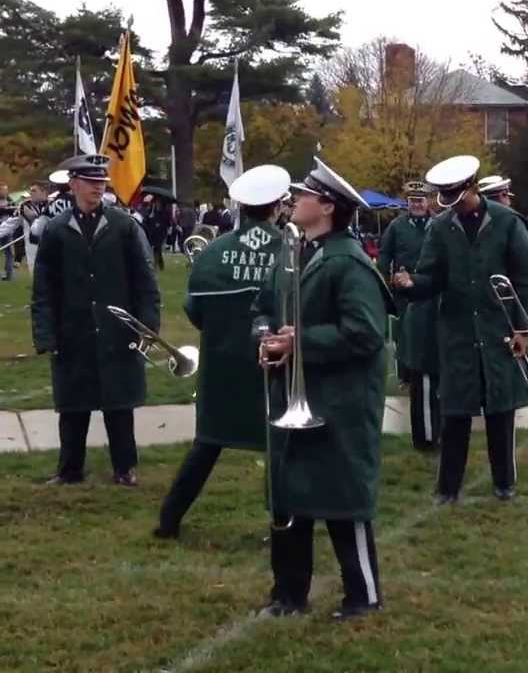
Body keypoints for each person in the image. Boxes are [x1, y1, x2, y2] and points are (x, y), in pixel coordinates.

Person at [252, 157, 391, 621]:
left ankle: (363, 595)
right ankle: (289, 594)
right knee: (289, 498)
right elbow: (264, 306)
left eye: (304, 195)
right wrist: (265, 338)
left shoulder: (348, 263)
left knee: (342, 500)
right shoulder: (292, 252)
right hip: (293, 396)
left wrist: (300, 342)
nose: (294, 200)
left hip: (338, 402)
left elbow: (366, 333)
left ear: (327, 207)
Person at [392, 156, 528, 504]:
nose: (453, 205)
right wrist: (411, 283)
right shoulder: (440, 227)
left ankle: (505, 483)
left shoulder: (507, 222)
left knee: (500, 412)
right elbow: (431, 277)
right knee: (455, 412)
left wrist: (523, 329)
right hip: (457, 332)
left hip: (499, 329)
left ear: (473, 187)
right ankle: (448, 488)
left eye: (456, 196)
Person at [153, 165, 288, 539]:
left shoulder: (213, 252)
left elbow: (194, 310)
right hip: (272, 365)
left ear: (239, 207)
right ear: (277, 207)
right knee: (279, 447)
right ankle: (280, 524)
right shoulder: (291, 250)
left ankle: (169, 520)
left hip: (221, 367)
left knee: (208, 443)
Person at [30, 154, 161, 486]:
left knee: (119, 405)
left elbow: (144, 282)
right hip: (71, 331)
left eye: (101, 182)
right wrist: (45, 335)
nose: (97, 188)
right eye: (90, 182)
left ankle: (125, 468)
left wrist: (148, 326)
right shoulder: (56, 230)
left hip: (118, 330)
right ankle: (69, 470)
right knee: (72, 406)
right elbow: (43, 288)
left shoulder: (123, 225)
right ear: (73, 184)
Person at [378, 181, 437, 451]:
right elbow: (384, 255)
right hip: (403, 292)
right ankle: (406, 373)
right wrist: (388, 280)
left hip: (432, 291)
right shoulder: (397, 226)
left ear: (429, 201)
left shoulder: (437, 224)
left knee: (431, 343)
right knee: (406, 336)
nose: (417, 204)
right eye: (413, 200)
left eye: (421, 200)